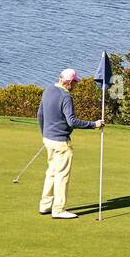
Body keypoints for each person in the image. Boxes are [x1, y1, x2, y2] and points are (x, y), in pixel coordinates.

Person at [37, 68, 104, 218]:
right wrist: (94, 124)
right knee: (62, 176)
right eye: (74, 82)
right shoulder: (66, 96)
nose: (75, 85)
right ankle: (58, 210)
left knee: (51, 173)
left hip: (48, 139)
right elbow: (71, 121)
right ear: (68, 82)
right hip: (61, 142)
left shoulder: (48, 90)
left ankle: (45, 205)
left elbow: (40, 114)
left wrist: (44, 134)